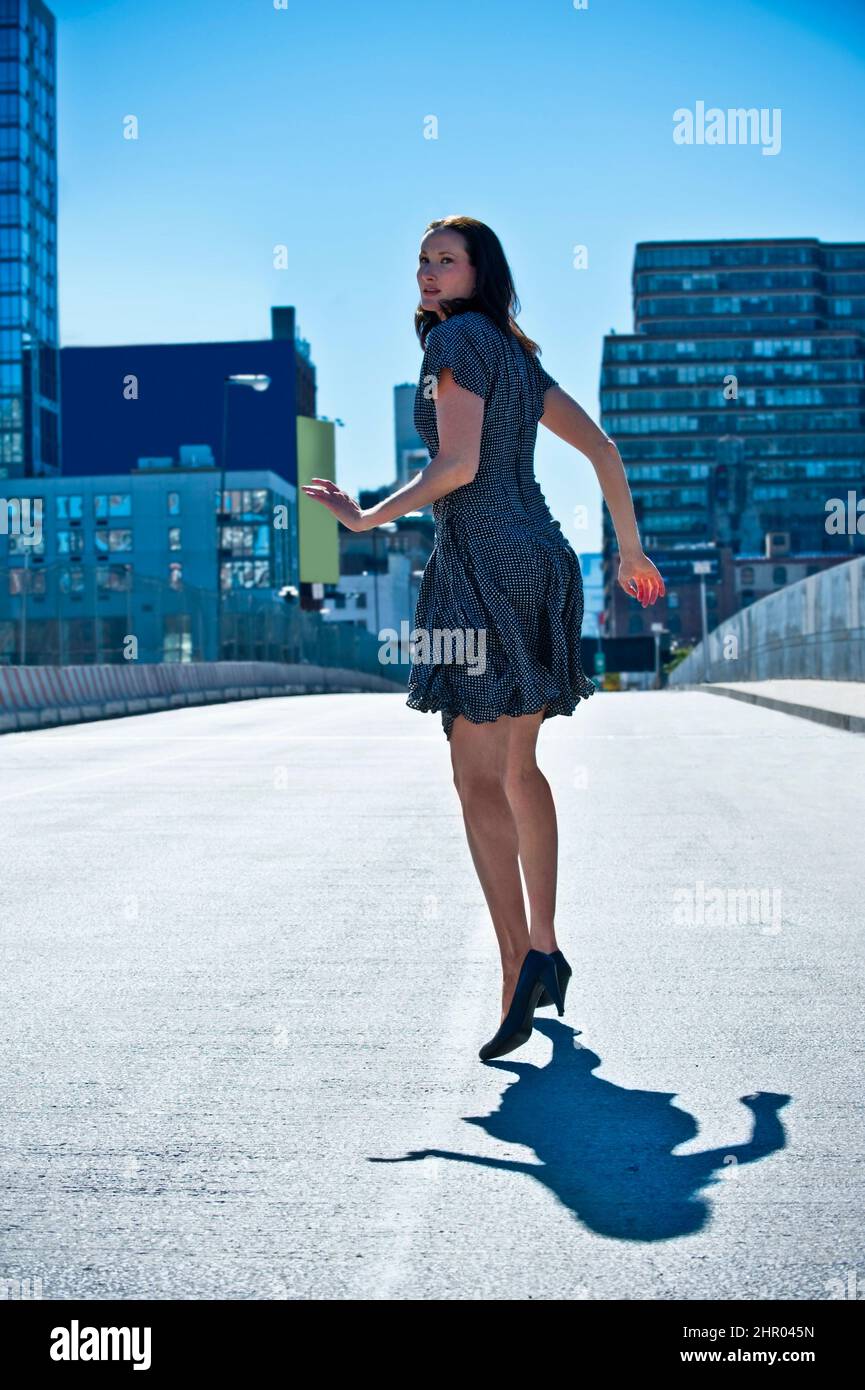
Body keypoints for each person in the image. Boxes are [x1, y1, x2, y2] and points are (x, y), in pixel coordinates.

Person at [302, 215, 664, 1062]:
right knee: (516, 767)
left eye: (444, 261)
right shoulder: (515, 351)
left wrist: (364, 516)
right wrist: (631, 548)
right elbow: (605, 452)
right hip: (544, 561)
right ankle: (542, 944)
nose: (427, 274)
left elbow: (456, 467)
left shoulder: (456, 343)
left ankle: (518, 968)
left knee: (473, 778)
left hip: (475, 571)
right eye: (422, 261)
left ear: (477, 271)